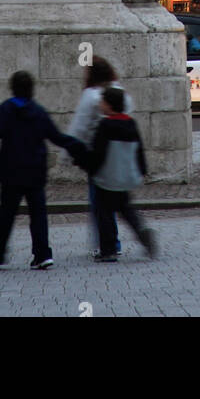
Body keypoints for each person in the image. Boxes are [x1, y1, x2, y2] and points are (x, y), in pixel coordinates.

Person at [0, 70, 80, 270]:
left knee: (6, 215)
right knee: (38, 214)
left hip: (11, 171)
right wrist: (79, 149)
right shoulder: (39, 112)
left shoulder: (6, 109)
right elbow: (57, 137)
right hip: (35, 170)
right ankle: (42, 254)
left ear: (13, 88)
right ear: (31, 90)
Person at [83, 86, 155, 263]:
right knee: (126, 210)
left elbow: (98, 153)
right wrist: (142, 170)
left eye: (102, 101)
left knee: (104, 213)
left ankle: (108, 250)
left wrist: (90, 169)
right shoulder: (131, 123)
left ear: (109, 105)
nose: (100, 103)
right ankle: (142, 232)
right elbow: (139, 151)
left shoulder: (105, 125)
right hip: (125, 177)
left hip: (107, 177)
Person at [69, 58, 133, 254]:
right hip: (120, 156)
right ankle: (121, 239)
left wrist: (68, 154)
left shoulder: (91, 96)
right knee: (119, 201)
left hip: (97, 157)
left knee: (99, 202)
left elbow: (79, 128)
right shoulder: (121, 93)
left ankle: (105, 244)